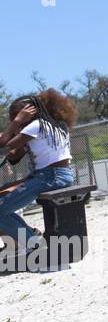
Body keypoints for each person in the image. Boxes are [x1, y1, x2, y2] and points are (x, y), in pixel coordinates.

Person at [0, 91, 77, 265]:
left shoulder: (34, 126)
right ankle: (32, 237)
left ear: (29, 112)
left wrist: (16, 123)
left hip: (49, 177)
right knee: (4, 202)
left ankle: (34, 246)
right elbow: (13, 157)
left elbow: (3, 147)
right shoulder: (57, 125)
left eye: (16, 114)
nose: (14, 118)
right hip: (62, 175)